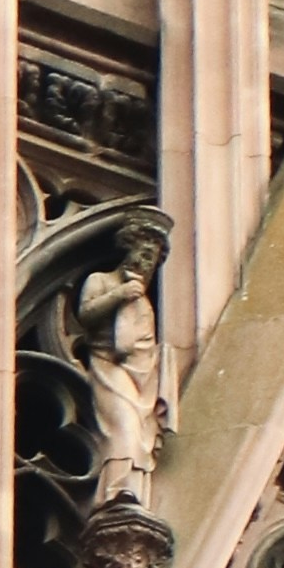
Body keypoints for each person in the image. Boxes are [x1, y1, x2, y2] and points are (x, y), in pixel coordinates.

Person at [74, 214, 167, 512]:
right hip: (106, 365)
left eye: (151, 258)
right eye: (142, 253)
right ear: (128, 251)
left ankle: (133, 491)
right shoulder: (100, 281)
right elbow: (86, 315)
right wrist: (118, 295)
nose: (145, 262)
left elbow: (141, 342)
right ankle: (115, 492)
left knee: (140, 431)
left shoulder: (143, 302)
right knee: (124, 426)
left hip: (139, 375)